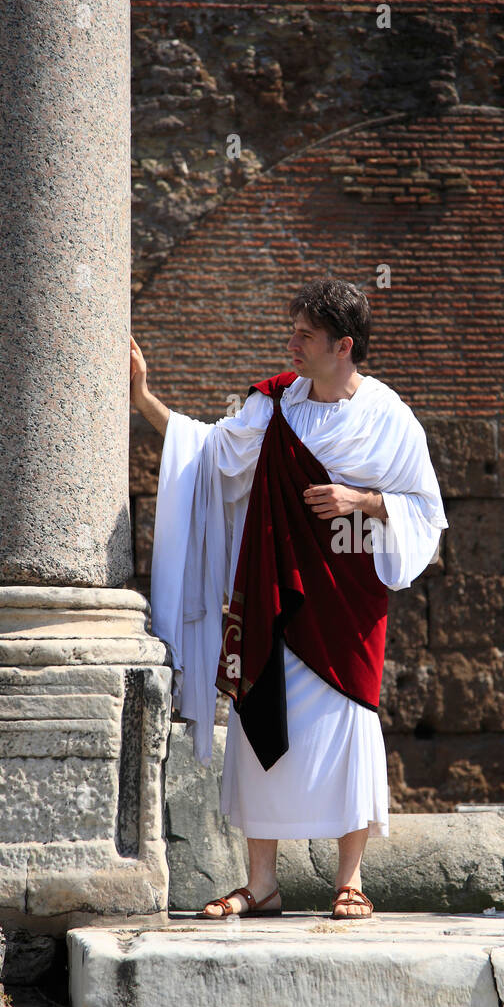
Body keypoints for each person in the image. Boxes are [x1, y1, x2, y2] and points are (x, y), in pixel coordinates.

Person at [130, 277, 447, 920]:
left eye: (306, 334)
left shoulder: (389, 419)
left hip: (347, 597)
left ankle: (350, 879)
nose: (292, 343)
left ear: (344, 346)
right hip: (273, 586)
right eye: (293, 330)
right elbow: (207, 453)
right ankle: (262, 884)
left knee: (346, 723)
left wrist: (361, 500)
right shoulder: (273, 406)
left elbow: (427, 513)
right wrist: (141, 399)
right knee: (260, 718)